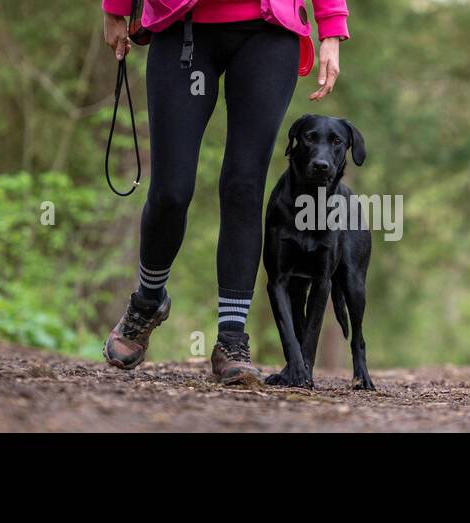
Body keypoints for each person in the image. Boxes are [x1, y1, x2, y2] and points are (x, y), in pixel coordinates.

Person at [99, 0, 350, 385]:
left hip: (269, 33)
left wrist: (331, 25)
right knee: (170, 191)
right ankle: (149, 300)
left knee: (244, 187)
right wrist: (114, 7)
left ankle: (232, 338)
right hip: (181, 23)